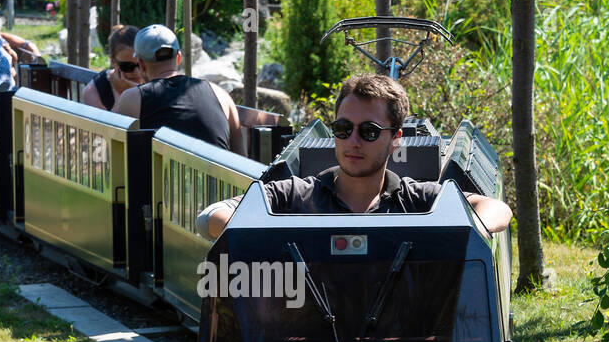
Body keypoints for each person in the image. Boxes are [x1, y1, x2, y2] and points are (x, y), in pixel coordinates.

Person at [198, 72, 513, 238]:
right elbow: (210, 216)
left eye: (370, 131)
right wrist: (266, 235)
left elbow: (495, 208)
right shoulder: (295, 195)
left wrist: (469, 230)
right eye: (343, 128)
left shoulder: (415, 202)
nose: (354, 141)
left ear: (395, 140)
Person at [115, 24, 244, 155]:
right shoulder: (221, 95)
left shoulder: (133, 99)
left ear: (141, 65)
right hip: (217, 174)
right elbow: (241, 158)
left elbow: (118, 154)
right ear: (178, 58)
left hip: (163, 175)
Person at [82, 24, 140, 110]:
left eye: (141, 64)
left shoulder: (155, 82)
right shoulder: (95, 91)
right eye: (127, 66)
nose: (137, 72)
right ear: (113, 61)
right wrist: (133, 94)